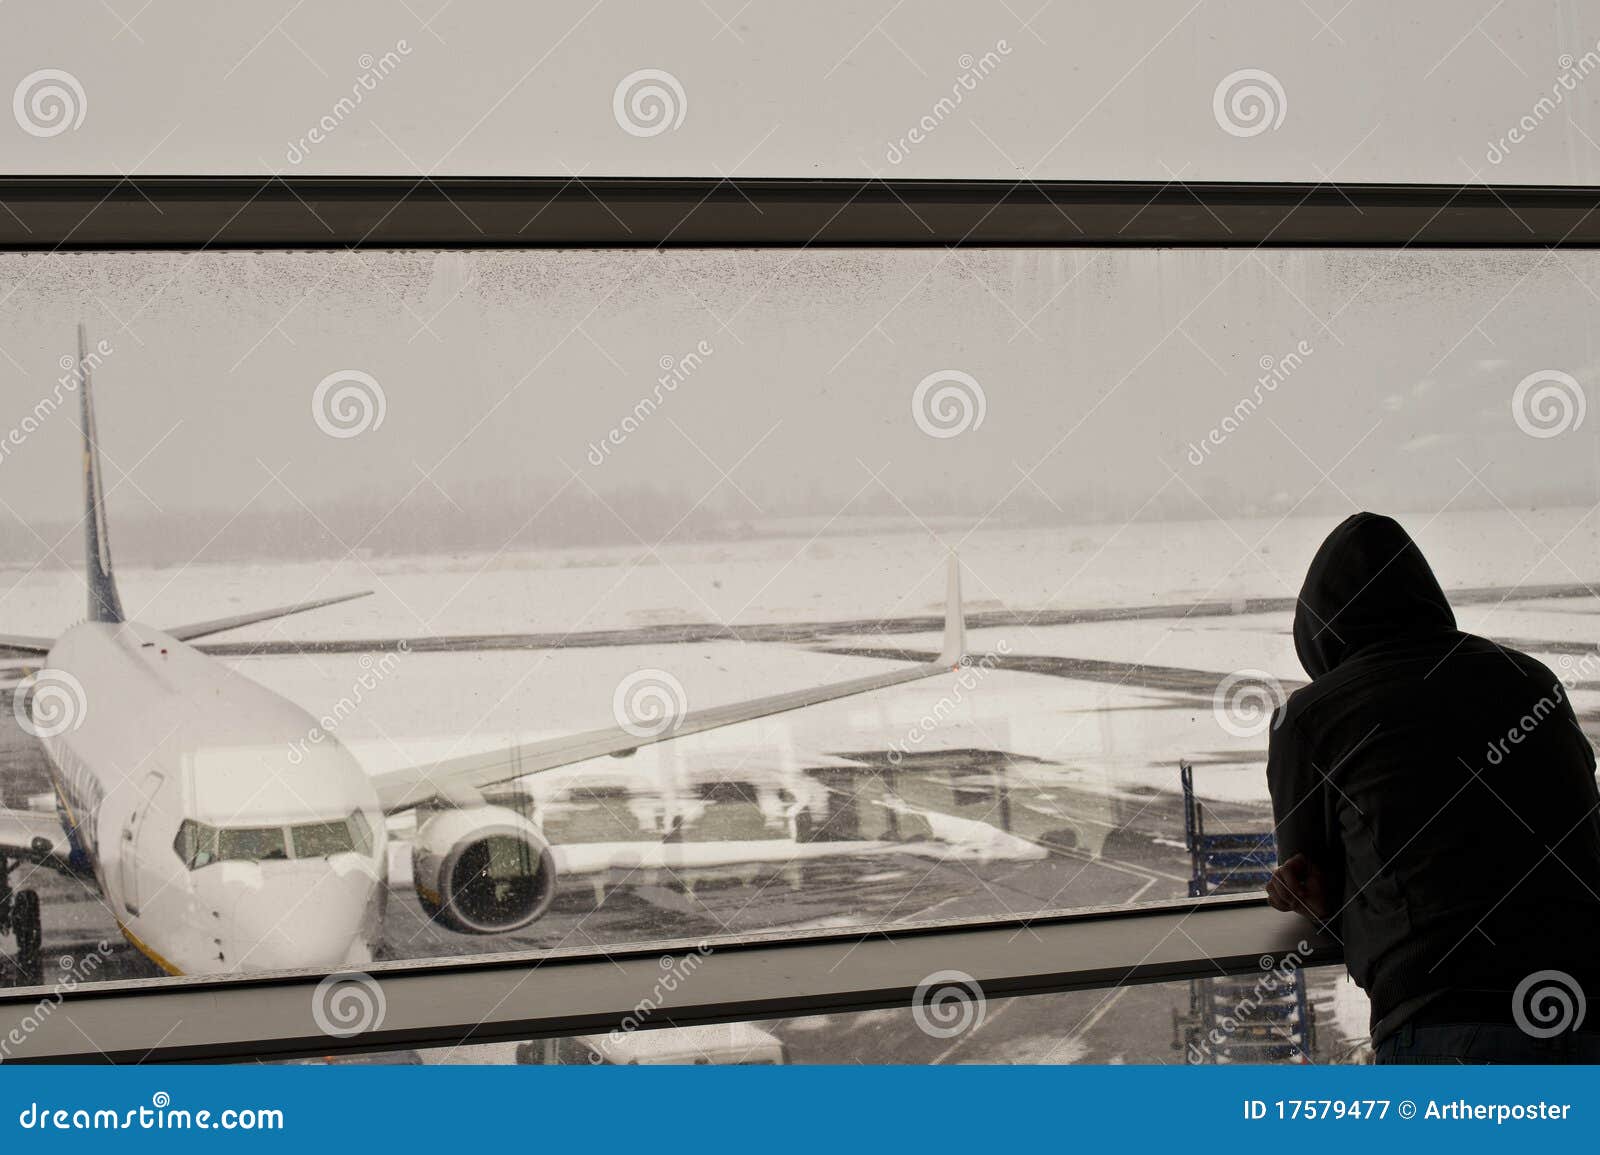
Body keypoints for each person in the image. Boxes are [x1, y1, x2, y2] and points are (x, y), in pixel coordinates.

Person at [1264, 512, 1600, 1063]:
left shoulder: (1309, 718)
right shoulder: (1531, 679)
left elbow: (1309, 880)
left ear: (1319, 629)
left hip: (1446, 1016)